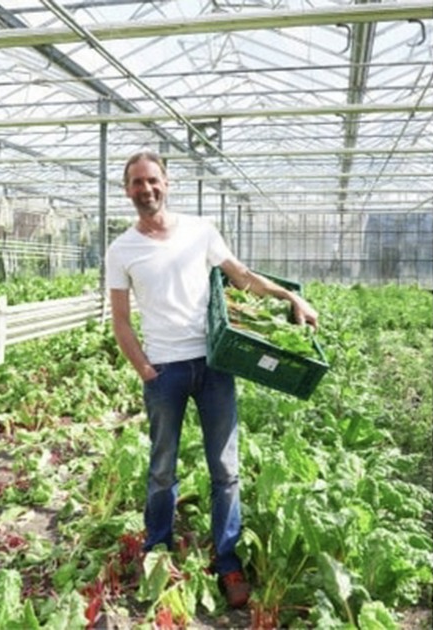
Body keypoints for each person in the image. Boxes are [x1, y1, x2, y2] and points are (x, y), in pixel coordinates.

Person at [105, 150, 319, 609]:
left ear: (167, 183)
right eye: (137, 183)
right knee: (162, 468)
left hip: (216, 364)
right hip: (163, 371)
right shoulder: (121, 249)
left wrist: (289, 298)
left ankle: (227, 560)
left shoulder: (199, 231)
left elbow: (241, 277)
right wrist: (145, 368)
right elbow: (120, 321)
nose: (146, 189)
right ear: (127, 191)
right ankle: (157, 549)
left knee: (226, 469)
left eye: (153, 180)